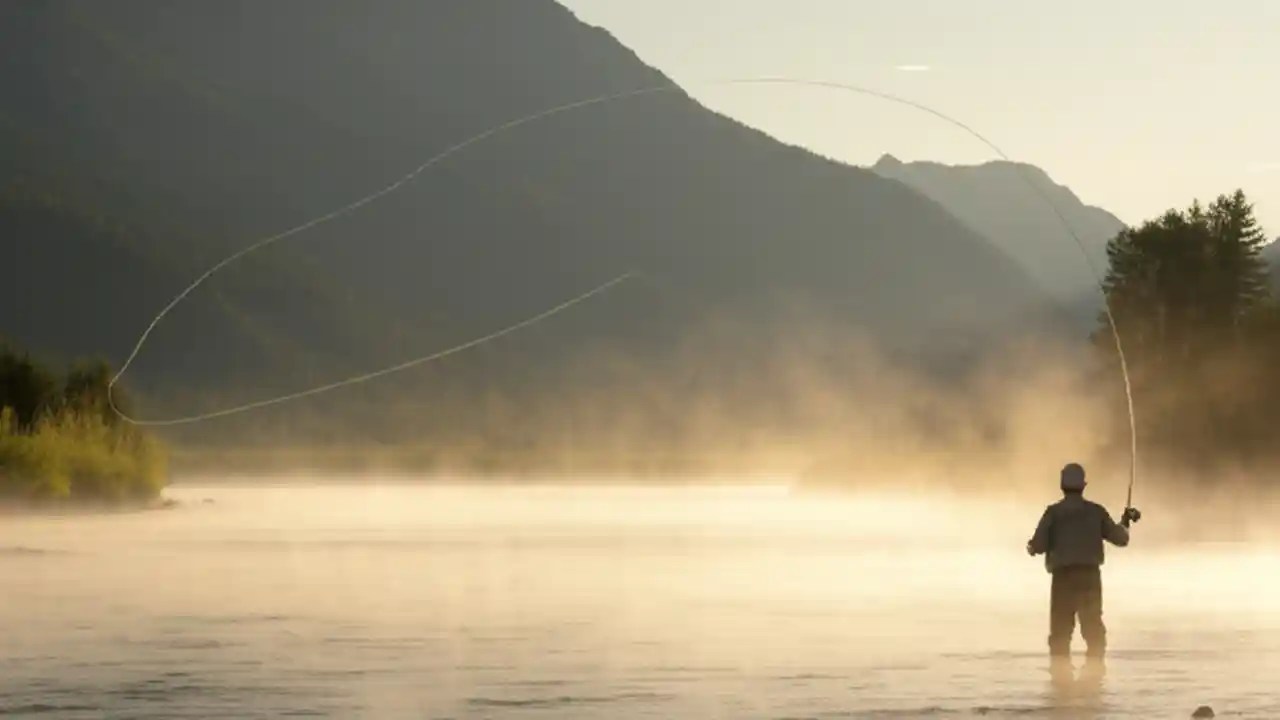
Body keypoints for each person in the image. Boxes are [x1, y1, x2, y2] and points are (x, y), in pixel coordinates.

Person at [1026, 463, 1137, 661]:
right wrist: (1125, 522)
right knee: (1093, 630)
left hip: (1062, 579)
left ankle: (1060, 682)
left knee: (1060, 634)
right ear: (1084, 485)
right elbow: (1121, 539)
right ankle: (1095, 678)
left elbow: (1038, 545)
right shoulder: (1096, 512)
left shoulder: (1053, 513)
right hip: (1089, 578)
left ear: (1061, 485)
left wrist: (1032, 547)